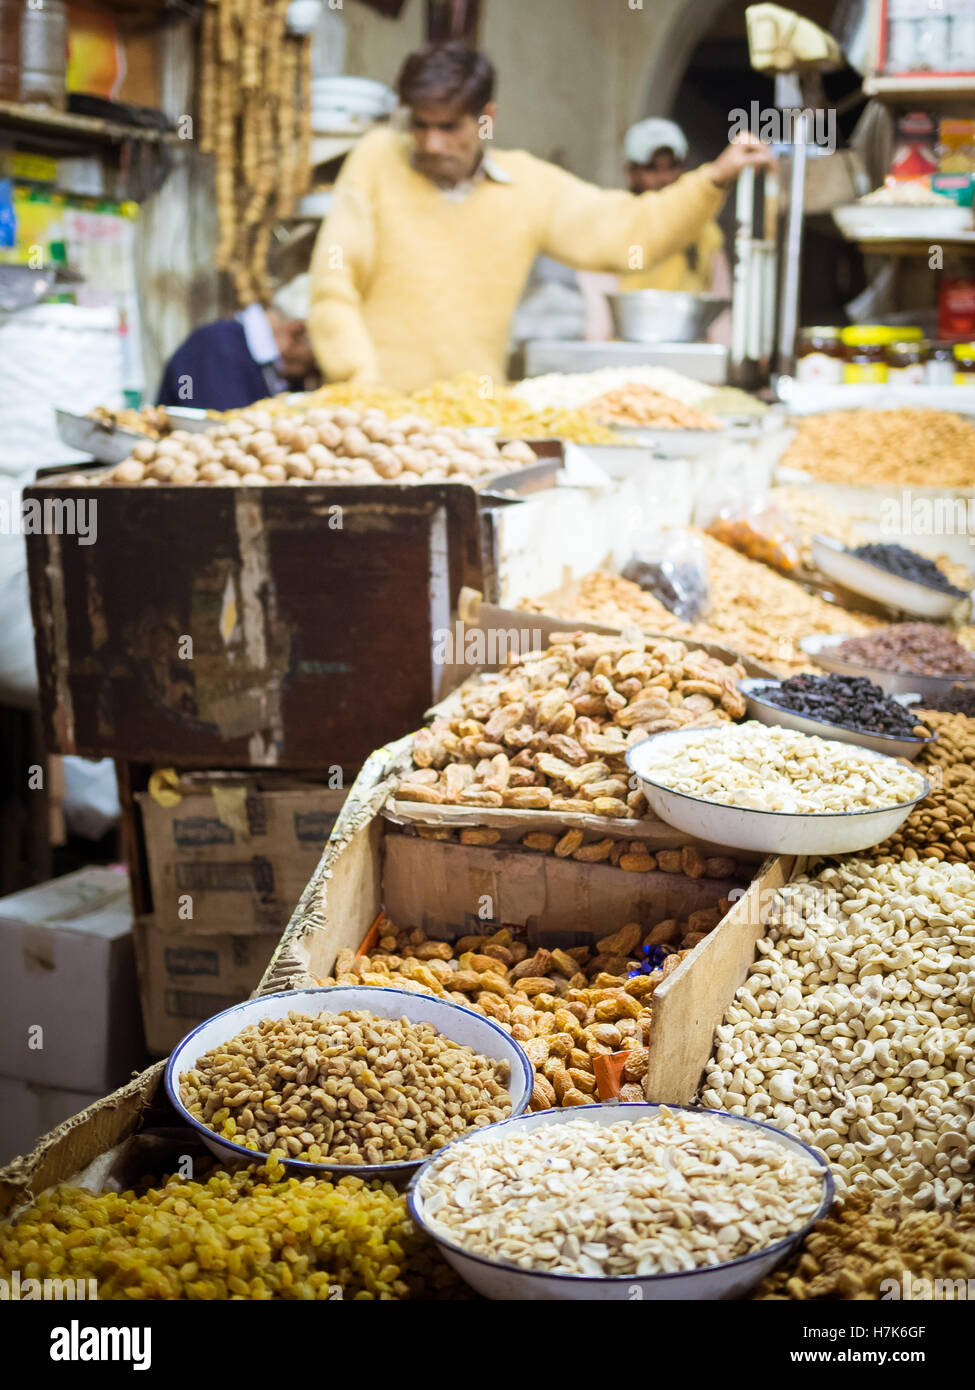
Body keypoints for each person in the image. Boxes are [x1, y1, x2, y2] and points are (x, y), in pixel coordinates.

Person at [308, 42, 773, 392]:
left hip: (473, 419)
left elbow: (627, 232)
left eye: (449, 126)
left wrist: (713, 178)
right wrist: (359, 384)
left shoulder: (527, 186)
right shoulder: (376, 159)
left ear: (486, 118)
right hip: (365, 416)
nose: (431, 142)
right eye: (421, 125)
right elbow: (333, 282)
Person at [157, 274, 320, 411]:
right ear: (297, 332)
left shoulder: (274, 368)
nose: (316, 367)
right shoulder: (214, 348)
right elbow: (218, 432)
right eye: (316, 359)